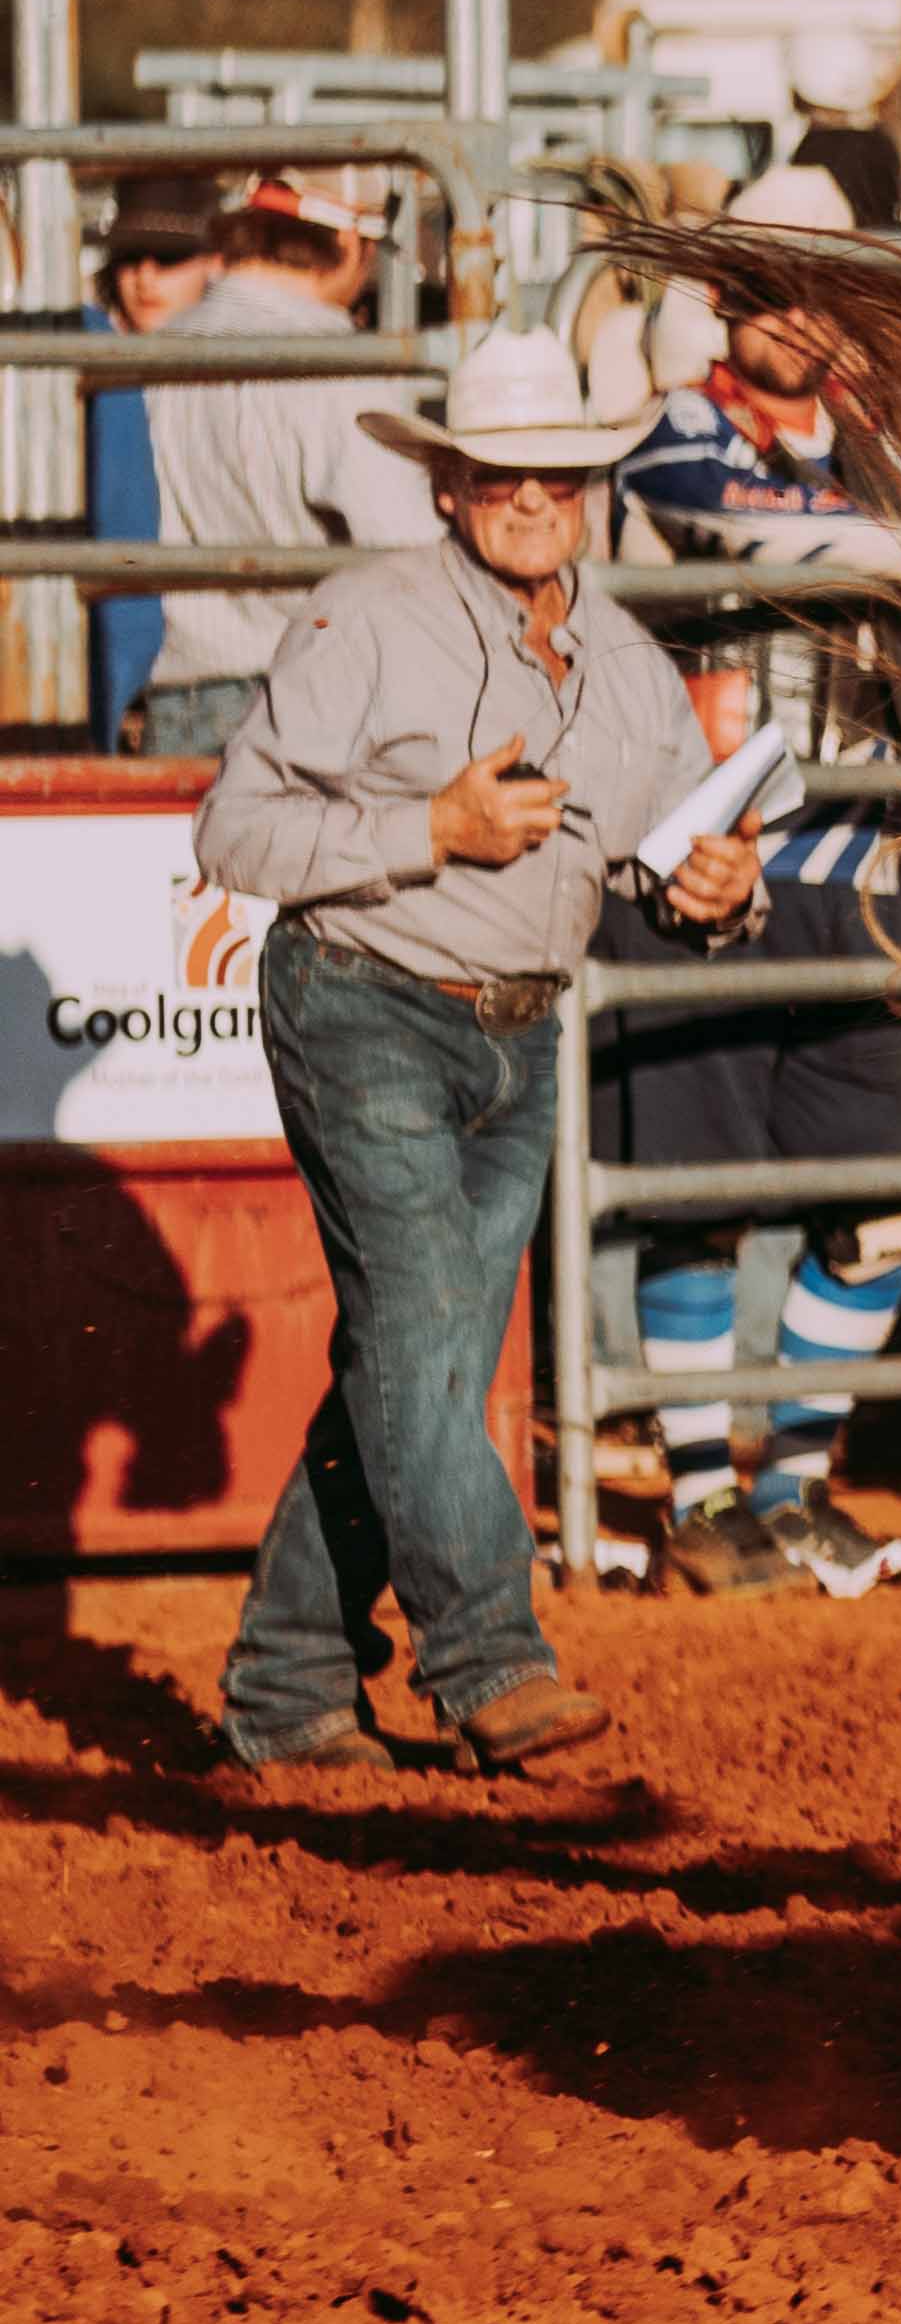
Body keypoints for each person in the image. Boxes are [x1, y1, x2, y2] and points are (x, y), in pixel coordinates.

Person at [193, 332, 762, 1771]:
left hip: (514, 1033)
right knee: (426, 1344)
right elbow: (233, 833)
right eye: (502, 470)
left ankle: (287, 1681)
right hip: (364, 996)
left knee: (420, 1355)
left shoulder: (629, 671)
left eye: (557, 473)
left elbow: (682, 863)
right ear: (449, 485)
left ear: (586, 486)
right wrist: (424, 832)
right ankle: (488, 1655)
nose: (532, 493)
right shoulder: (367, 618)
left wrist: (717, 891)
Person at [597, 167, 901, 1599]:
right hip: (693, 848)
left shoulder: (884, 463)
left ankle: (793, 1483)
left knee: (892, 1193)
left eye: (817, 285)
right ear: (722, 298)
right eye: (759, 284)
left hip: (854, 862)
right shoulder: (668, 442)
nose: (789, 311)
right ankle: (700, 1497)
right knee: (696, 1194)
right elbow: (742, 534)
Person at [141, 177, 437, 756]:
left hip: (172, 699)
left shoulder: (150, 353)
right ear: (352, 243)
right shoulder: (342, 366)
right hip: (300, 705)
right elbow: (408, 553)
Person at [66, 174, 219, 747]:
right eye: (131, 257)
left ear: (215, 261)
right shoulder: (88, 365)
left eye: (170, 258)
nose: (146, 277)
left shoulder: (227, 376)